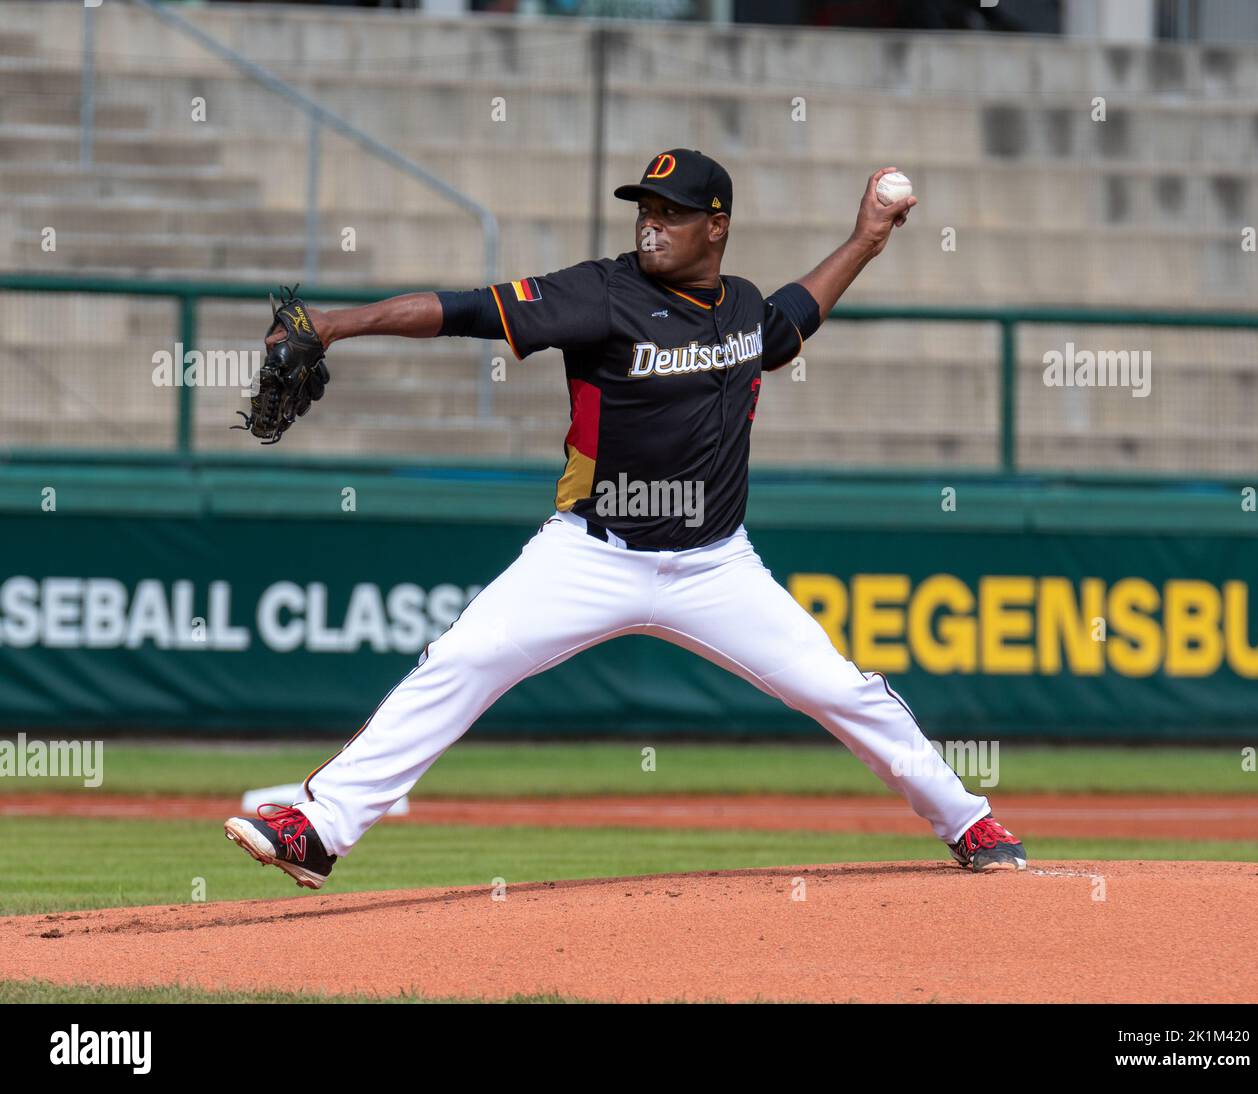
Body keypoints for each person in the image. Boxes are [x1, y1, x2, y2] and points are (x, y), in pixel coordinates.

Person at [224, 148, 1028, 888]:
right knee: (462, 658)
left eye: (673, 211)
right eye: (646, 207)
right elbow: (468, 309)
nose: (653, 223)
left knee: (841, 690)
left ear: (716, 227)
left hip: (716, 567)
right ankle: (322, 828)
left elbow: (791, 318)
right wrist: (335, 323)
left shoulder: (742, 310)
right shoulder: (600, 294)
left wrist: (865, 242)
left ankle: (969, 822)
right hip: (590, 555)